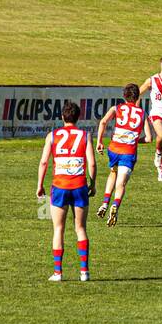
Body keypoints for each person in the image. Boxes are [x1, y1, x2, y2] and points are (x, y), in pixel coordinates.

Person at [35, 100, 96, 282]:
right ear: (78, 117)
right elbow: (91, 162)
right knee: (80, 228)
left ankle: (58, 273)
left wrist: (40, 185)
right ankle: (84, 272)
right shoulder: (85, 135)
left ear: (62, 117)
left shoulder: (52, 135)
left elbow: (44, 162)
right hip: (79, 186)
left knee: (58, 229)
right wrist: (92, 184)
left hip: (59, 187)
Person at [95, 84, 151, 227]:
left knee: (113, 172)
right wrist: (136, 141)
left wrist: (99, 142)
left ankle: (104, 203)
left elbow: (103, 122)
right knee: (121, 183)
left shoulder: (116, 108)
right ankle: (115, 206)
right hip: (128, 151)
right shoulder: (143, 113)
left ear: (124, 96)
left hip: (114, 149)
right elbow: (149, 138)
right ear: (138, 97)